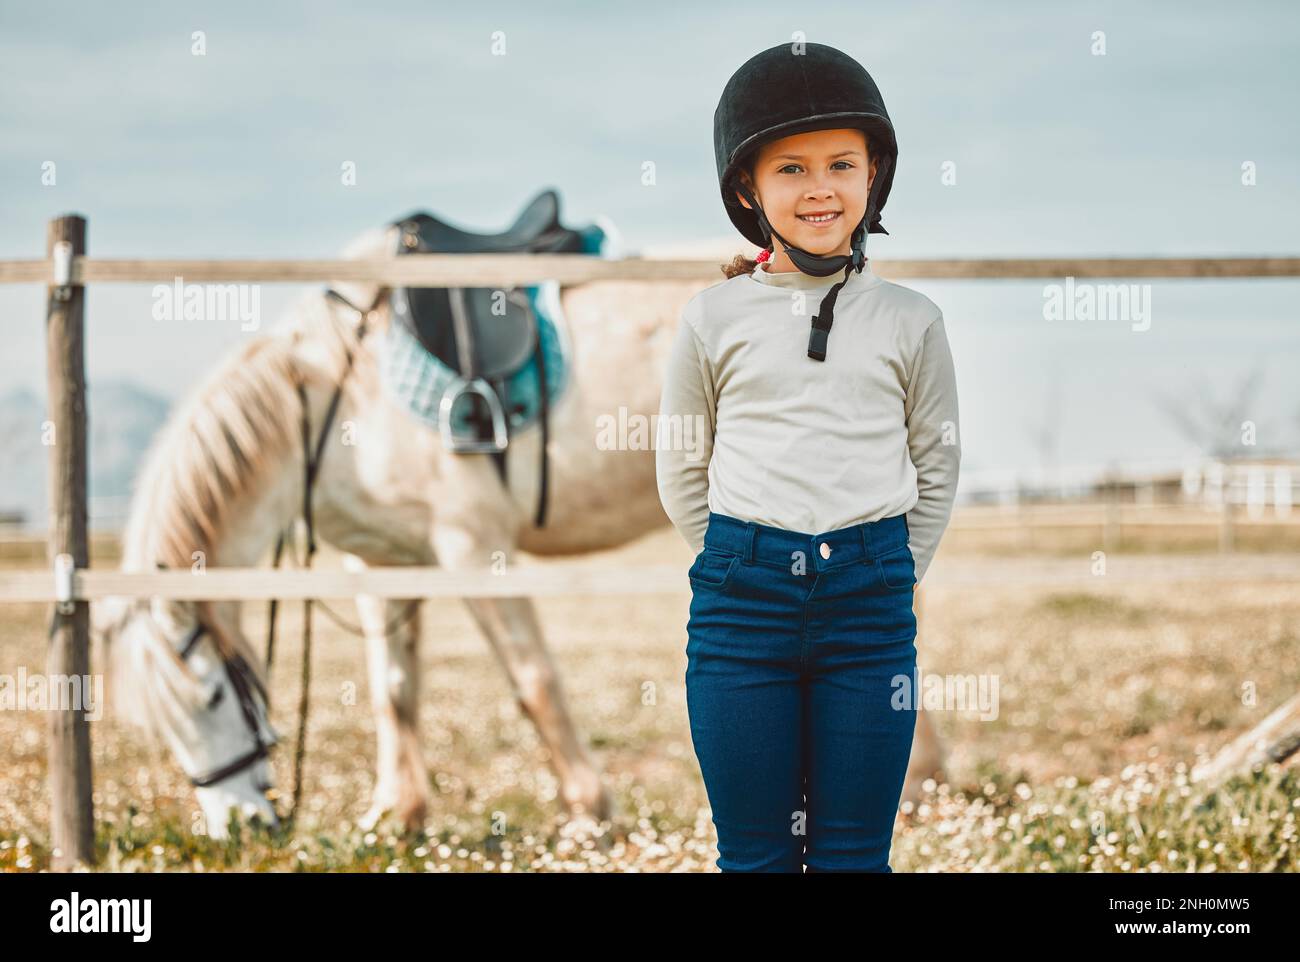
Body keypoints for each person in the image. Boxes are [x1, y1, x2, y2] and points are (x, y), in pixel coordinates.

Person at [655, 41, 961, 872]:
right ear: (749, 188)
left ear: (874, 178)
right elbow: (683, 465)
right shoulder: (711, 318)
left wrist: (894, 567)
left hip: (870, 609)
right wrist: (733, 559)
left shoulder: (911, 319)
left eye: (840, 165)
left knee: (854, 856)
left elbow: (936, 463)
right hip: (740, 608)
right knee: (753, 856)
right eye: (790, 168)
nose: (819, 188)